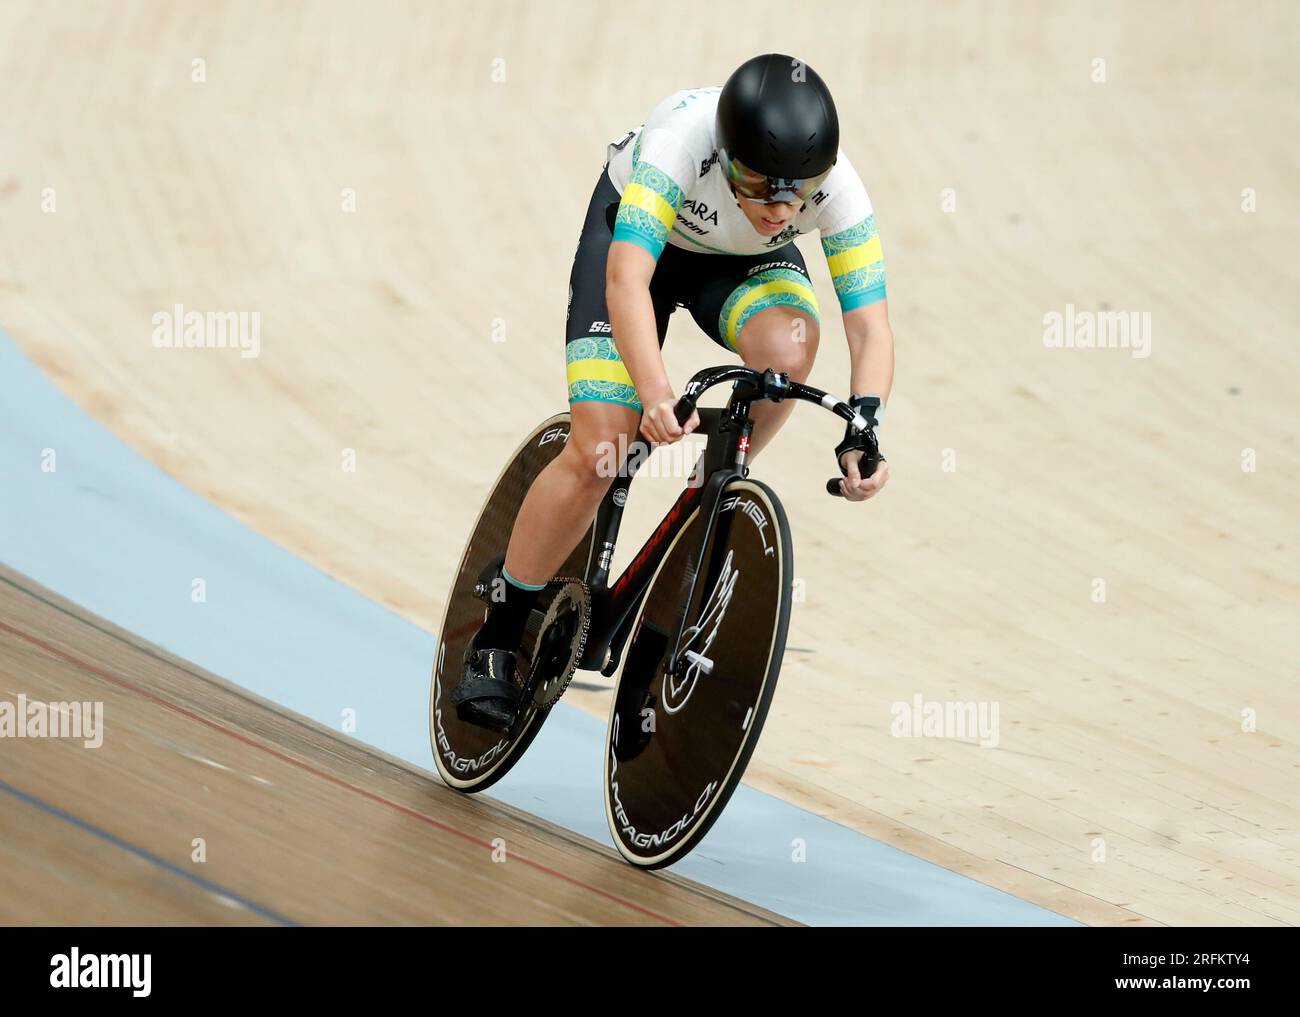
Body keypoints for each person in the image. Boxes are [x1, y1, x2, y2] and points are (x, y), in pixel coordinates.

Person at [450, 53, 894, 731]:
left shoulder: (835, 188)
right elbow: (627, 281)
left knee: (792, 348)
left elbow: (869, 326)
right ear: (725, 157)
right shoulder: (678, 145)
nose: (781, 209)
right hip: (637, 254)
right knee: (604, 443)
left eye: (797, 194)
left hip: (742, 268)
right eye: (759, 186)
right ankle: (499, 634)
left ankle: (712, 486)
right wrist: (655, 392)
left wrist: (865, 428)